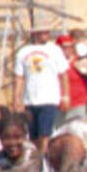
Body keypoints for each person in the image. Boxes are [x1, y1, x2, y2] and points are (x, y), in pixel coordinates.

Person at [12, 24, 69, 155]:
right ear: (35, 34)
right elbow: (19, 77)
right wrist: (17, 98)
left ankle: (42, 157)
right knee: (33, 134)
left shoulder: (54, 50)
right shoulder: (23, 52)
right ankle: (36, 155)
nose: (45, 35)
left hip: (49, 98)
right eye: (42, 33)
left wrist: (65, 96)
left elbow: (63, 74)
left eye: (47, 32)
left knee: (45, 133)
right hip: (30, 99)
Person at [57, 32, 87, 121]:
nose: (67, 50)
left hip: (79, 102)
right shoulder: (54, 63)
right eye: (64, 47)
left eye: (70, 47)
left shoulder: (79, 61)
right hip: (60, 105)